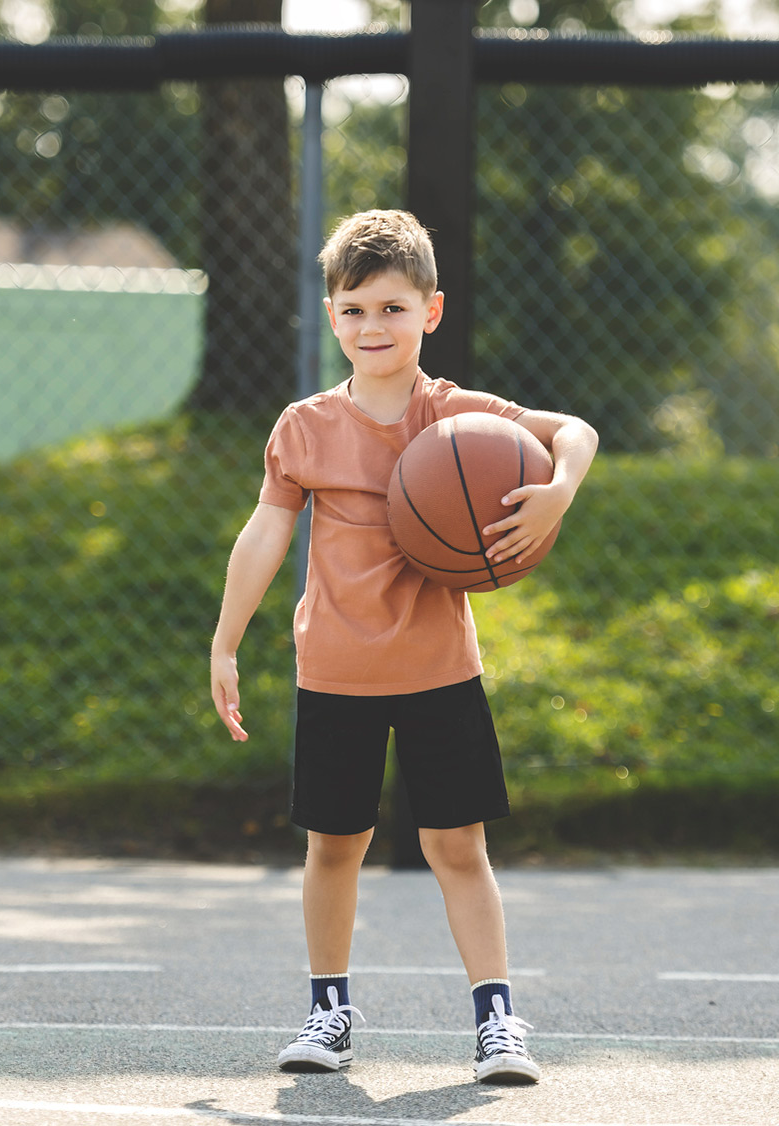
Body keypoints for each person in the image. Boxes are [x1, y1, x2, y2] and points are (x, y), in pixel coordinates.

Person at [207, 209, 598, 1085]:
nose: (371, 326)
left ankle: (497, 1019)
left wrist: (558, 493)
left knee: (458, 849)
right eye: (353, 310)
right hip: (334, 672)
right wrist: (226, 643)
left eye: (391, 308)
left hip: (438, 672)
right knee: (333, 847)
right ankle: (329, 1012)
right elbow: (264, 534)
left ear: (431, 310)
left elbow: (575, 431)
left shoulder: (452, 414)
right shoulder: (304, 427)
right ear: (331, 316)